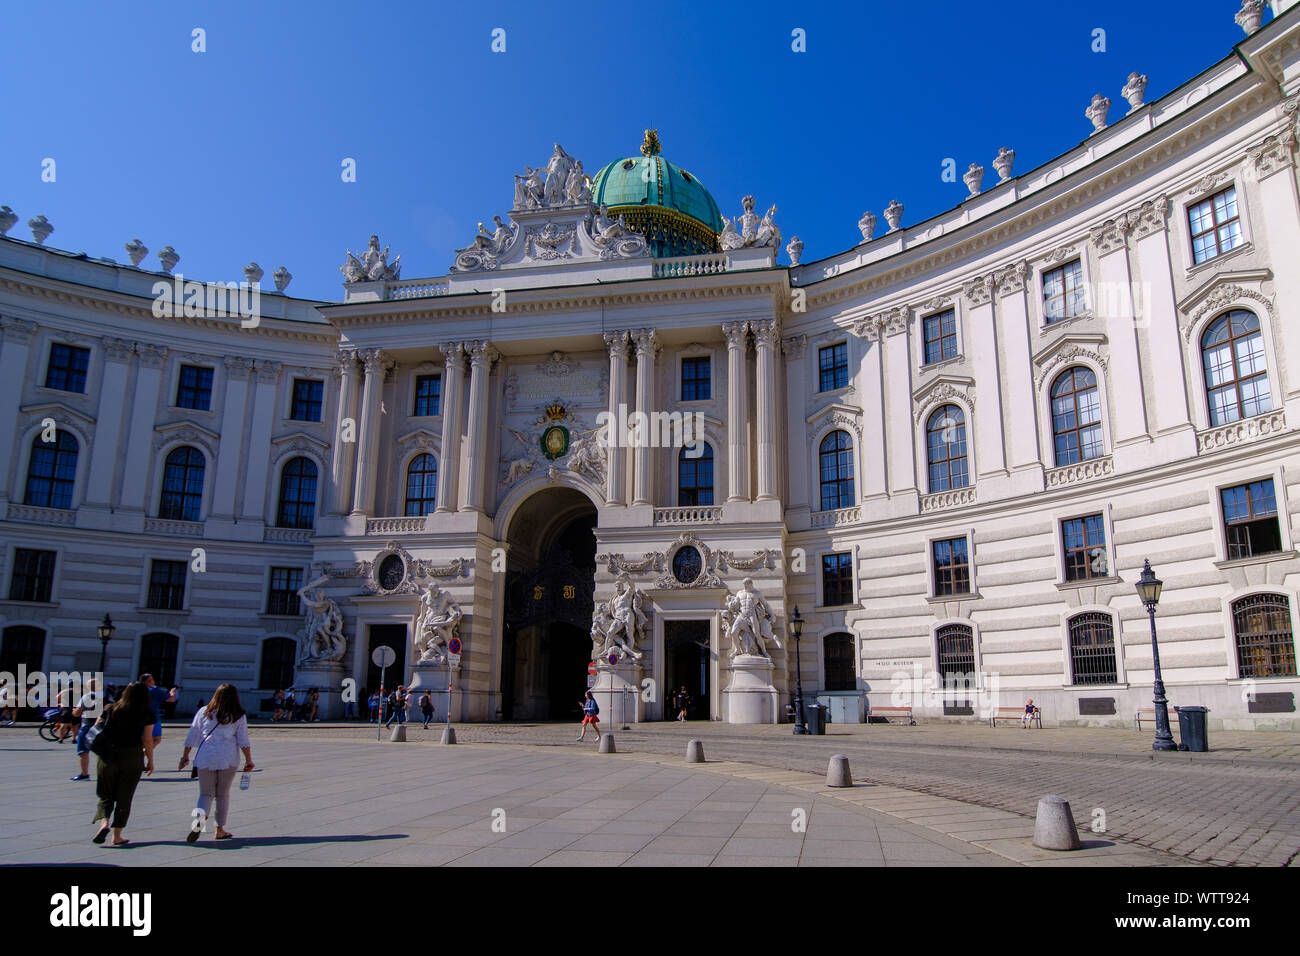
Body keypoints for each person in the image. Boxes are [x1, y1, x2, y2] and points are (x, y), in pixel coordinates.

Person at [178, 683, 254, 842]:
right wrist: (249, 760)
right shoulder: (238, 714)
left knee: (205, 794)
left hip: (206, 757)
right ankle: (219, 830)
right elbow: (243, 740)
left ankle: (198, 823)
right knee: (222, 795)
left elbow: (192, 734)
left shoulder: (204, 711)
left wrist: (185, 756)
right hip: (228, 757)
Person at [90, 681, 155, 846]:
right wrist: (150, 760)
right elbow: (147, 740)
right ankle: (117, 835)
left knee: (105, 793)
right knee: (125, 796)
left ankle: (104, 823)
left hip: (108, 755)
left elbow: (96, 728)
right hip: (132, 755)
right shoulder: (146, 712)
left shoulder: (110, 708)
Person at [71, 678, 101, 780]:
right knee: (102, 751)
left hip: (87, 726)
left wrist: (73, 711)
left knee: (83, 751)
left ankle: (84, 774)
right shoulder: (106, 695)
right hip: (102, 727)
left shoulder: (87, 697)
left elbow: (78, 712)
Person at [139, 673, 177, 748]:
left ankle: (141, 754)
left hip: (139, 716)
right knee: (156, 738)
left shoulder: (138, 689)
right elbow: (170, 699)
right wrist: (172, 692)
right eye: (152, 679)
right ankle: (143, 754)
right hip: (153, 718)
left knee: (143, 739)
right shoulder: (154, 690)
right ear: (149, 681)